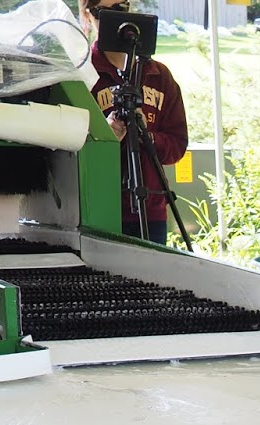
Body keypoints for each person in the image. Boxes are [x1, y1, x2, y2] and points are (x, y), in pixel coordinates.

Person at [79, 0, 187, 244]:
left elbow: (177, 145)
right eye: (104, 13)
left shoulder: (158, 76)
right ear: (88, 16)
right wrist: (103, 138)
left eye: (121, 8)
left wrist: (146, 136)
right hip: (97, 207)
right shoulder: (82, 74)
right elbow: (64, 144)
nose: (115, 20)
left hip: (150, 209)